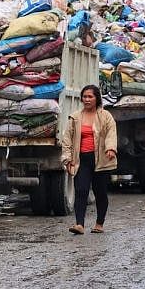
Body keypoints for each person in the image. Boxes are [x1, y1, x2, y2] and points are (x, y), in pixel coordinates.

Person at [61, 85, 117, 235]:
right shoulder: (75, 117)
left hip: (101, 160)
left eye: (90, 97)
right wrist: (67, 159)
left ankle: (99, 223)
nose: (87, 99)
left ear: (96, 98)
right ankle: (79, 224)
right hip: (81, 160)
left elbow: (111, 133)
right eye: (84, 97)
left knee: (100, 192)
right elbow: (67, 140)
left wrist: (111, 148)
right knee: (81, 190)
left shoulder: (105, 116)